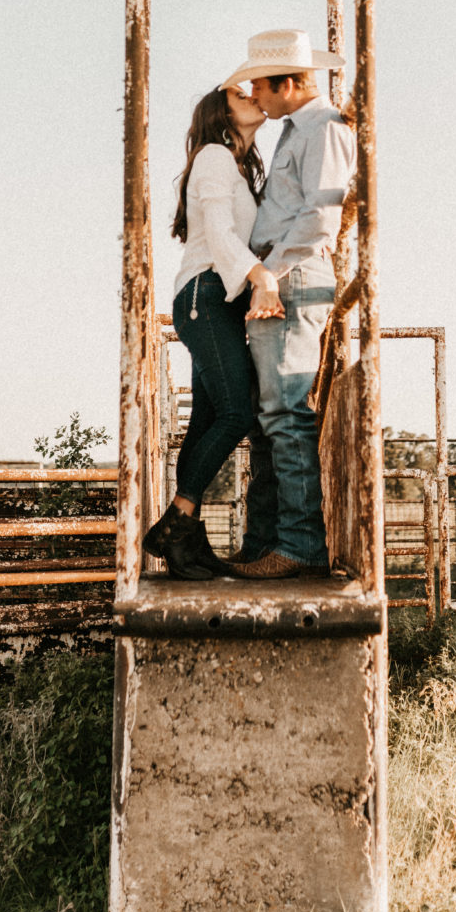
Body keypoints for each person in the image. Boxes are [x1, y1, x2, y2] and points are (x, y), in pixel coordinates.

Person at [217, 30, 356, 581]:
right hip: (282, 277)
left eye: (259, 81)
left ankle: (297, 546)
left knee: (285, 412)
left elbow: (322, 218)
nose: (253, 89)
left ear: (289, 83)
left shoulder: (323, 129)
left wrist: (268, 275)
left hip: (291, 278)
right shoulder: (300, 130)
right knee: (271, 414)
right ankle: (266, 541)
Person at [143, 85, 285, 579]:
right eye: (239, 93)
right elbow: (222, 234)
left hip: (217, 302)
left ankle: (189, 541)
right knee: (236, 411)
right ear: (221, 112)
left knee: (207, 418)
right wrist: (260, 276)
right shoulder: (213, 156)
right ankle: (178, 520)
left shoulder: (238, 168)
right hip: (205, 294)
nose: (252, 95)